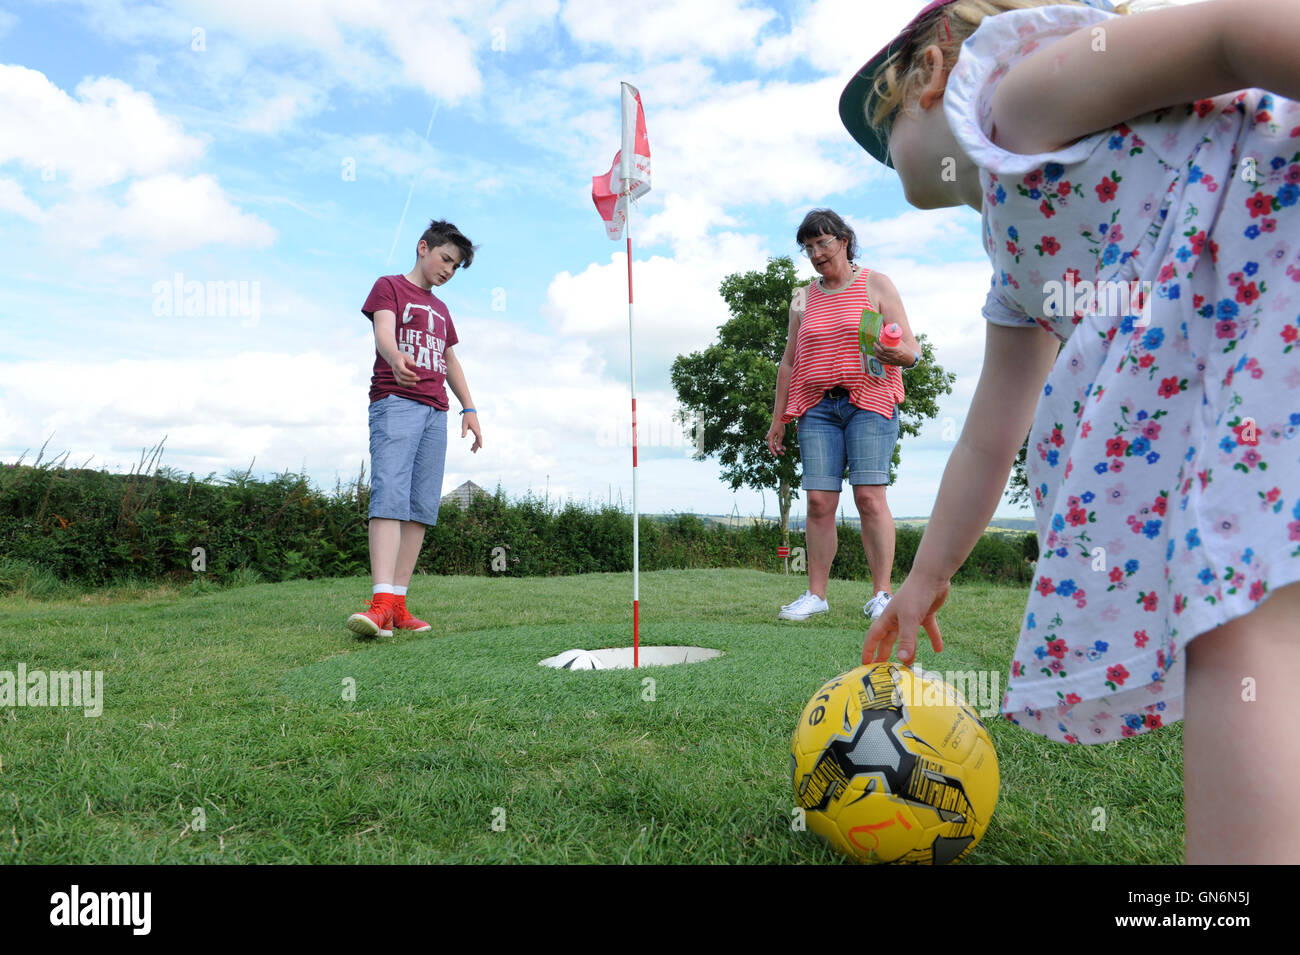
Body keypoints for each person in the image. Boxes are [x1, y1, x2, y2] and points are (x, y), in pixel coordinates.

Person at [842, 0, 1300, 863]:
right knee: (1254, 609)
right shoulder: (1015, 261)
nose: (882, 151)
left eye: (885, 117)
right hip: (1245, 349)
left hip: (1272, 266)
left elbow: (1230, 35)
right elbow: (991, 431)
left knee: (1243, 626)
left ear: (935, 69)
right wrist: (925, 576)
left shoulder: (1017, 97)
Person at [766, 209, 922, 622]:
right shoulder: (802, 297)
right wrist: (777, 418)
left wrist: (897, 353)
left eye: (823, 243)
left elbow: (912, 349)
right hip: (817, 406)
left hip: (870, 401)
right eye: (808, 247)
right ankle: (816, 595)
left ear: (844, 241)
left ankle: (883, 595)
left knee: (869, 498)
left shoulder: (876, 283)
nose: (816, 253)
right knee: (818, 501)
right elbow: (788, 362)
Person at [347, 219, 483, 638]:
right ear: (423, 248)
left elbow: (451, 361)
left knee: (421, 508)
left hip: (436, 412)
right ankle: (380, 602)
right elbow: (383, 333)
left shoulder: (442, 309)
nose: (448, 270)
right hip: (396, 401)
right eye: (445, 258)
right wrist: (394, 357)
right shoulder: (389, 286)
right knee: (390, 494)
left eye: (456, 266)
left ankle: (399, 604)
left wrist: (470, 408)